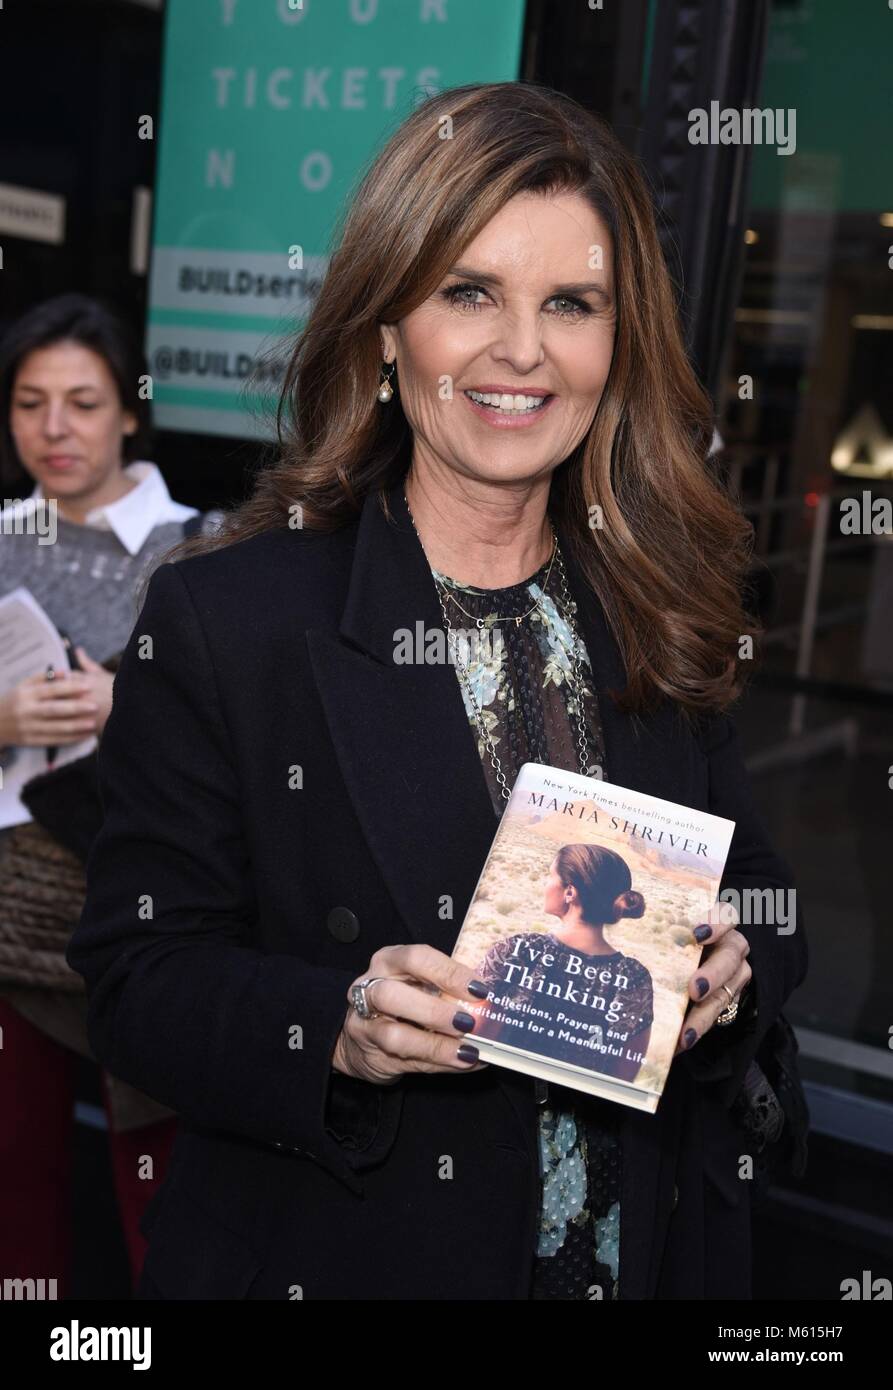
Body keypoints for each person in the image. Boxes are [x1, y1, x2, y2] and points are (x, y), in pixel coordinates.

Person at [67, 82, 807, 1301]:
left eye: (569, 304)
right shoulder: (231, 621)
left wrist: (735, 968)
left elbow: (764, 885)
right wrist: (339, 1026)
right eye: (469, 292)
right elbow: (139, 981)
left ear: (613, 347)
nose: (521, 350)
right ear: (381, 324)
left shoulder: (655, 605)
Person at [0, 292, 224, 1294]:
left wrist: (123, 702)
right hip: (7, 919)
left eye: (82, 402)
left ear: (129, 411)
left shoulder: (205, 546)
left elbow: (253, 740)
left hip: (143, 921)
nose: (54, 429)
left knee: (165, 1201)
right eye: (30, 402)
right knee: (15, 1194)